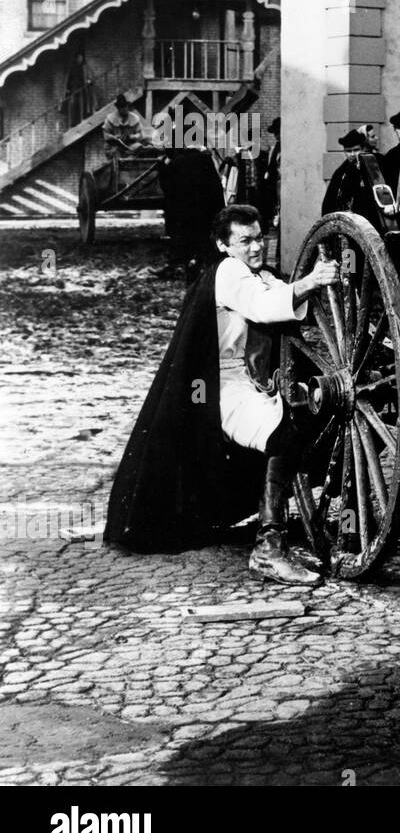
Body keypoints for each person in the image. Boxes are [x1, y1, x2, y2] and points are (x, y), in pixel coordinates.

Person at [106, 204, 340, 585]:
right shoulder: (228, 273)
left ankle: (338, 525)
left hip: (257, 381)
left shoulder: (258, 273)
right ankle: (268, 549)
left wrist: (310, 286)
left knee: (321, 415)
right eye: (244, 240)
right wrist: (311, 281)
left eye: (259, 237)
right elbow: (263, 306)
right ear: (223, 244)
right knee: (285, 432)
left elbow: (283, 300)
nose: (255, 247)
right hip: (223, 386)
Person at [321, 126, 383, 227]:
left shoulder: (375, 164)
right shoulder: (340, 173)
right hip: (351, 224)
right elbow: (329, 204)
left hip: (374, 222)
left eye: (356, 150)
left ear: (363, 148)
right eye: (349, 151)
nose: (353, 154)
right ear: (344, 152)